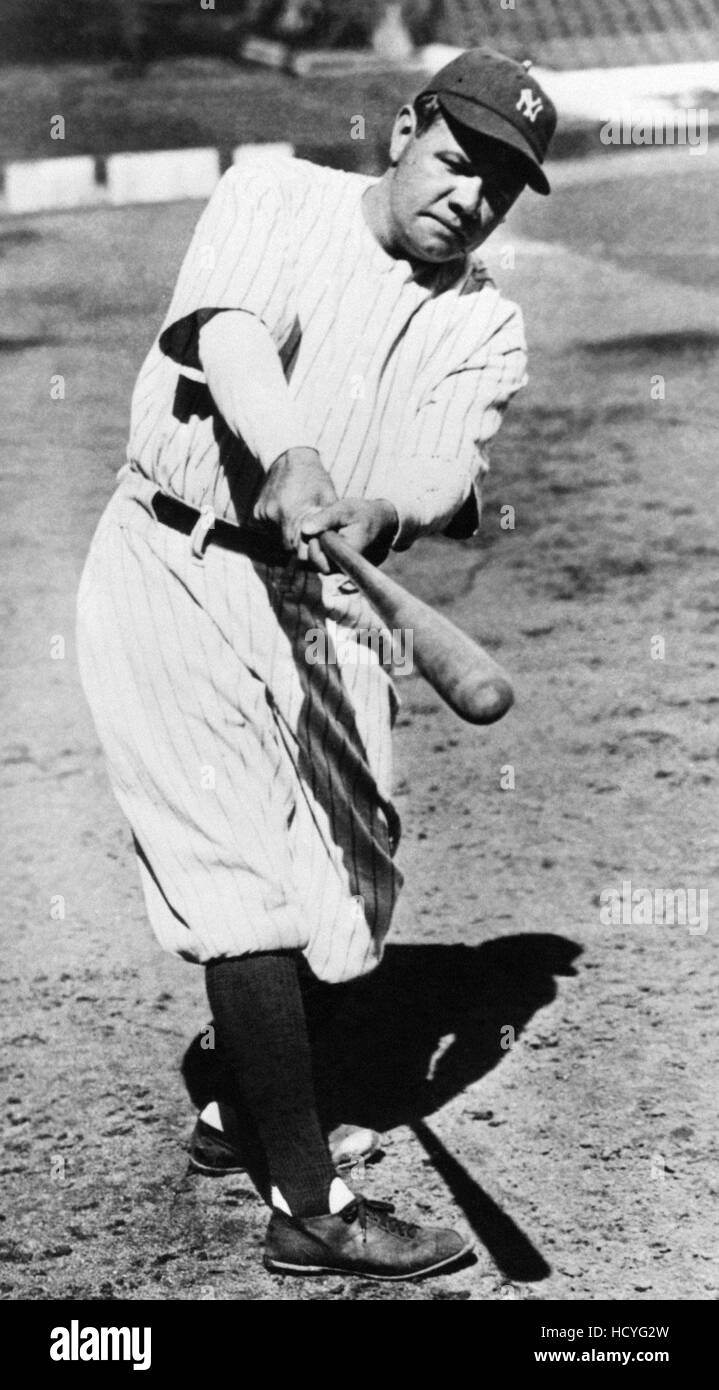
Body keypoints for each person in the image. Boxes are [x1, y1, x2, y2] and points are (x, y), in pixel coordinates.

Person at [77, 48, 556, 1281]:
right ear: (403, 129)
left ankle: (242, 1107)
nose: (467, 197)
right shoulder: (271, 196)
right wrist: (287, 447)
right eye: (455, 161)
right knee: (238, 877)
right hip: (174, 569)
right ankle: (308, 1203)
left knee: (348, 898)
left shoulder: (484, 319)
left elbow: (452, 469)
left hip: (328, 601)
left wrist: (381, 509)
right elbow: (234, 336)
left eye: (497, 188)